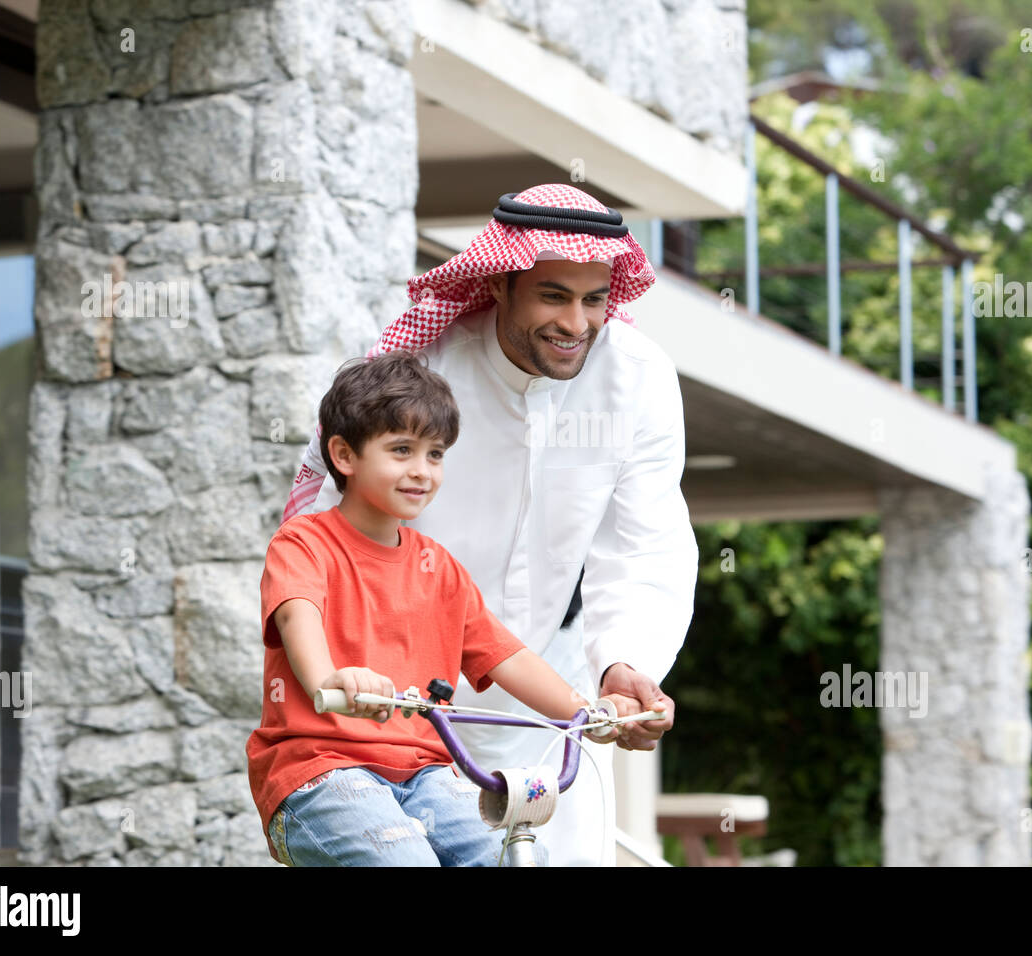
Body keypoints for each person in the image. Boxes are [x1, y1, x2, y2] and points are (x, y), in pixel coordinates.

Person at [280, 184, 699, 865]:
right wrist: (337, 674)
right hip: (392, 703)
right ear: (500, 282)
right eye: (553, 296)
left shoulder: (640, 378)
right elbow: (324, 537)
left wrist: (625, 667)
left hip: (545, 698)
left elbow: (644, 546)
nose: (577, 322)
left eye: (594, 300)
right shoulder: (419, 370)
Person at [247, 350, 621, 866]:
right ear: (344, 455)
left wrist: (585, 711)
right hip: (319, 771)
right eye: (401, 450)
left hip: (426, 774)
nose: (421, 471)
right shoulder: (304, 544)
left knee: (510, 854)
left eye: (436, 454)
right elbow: (298, 617)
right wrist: (332, 680)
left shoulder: (439, 567)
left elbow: (505, 656)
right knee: (407, 860)